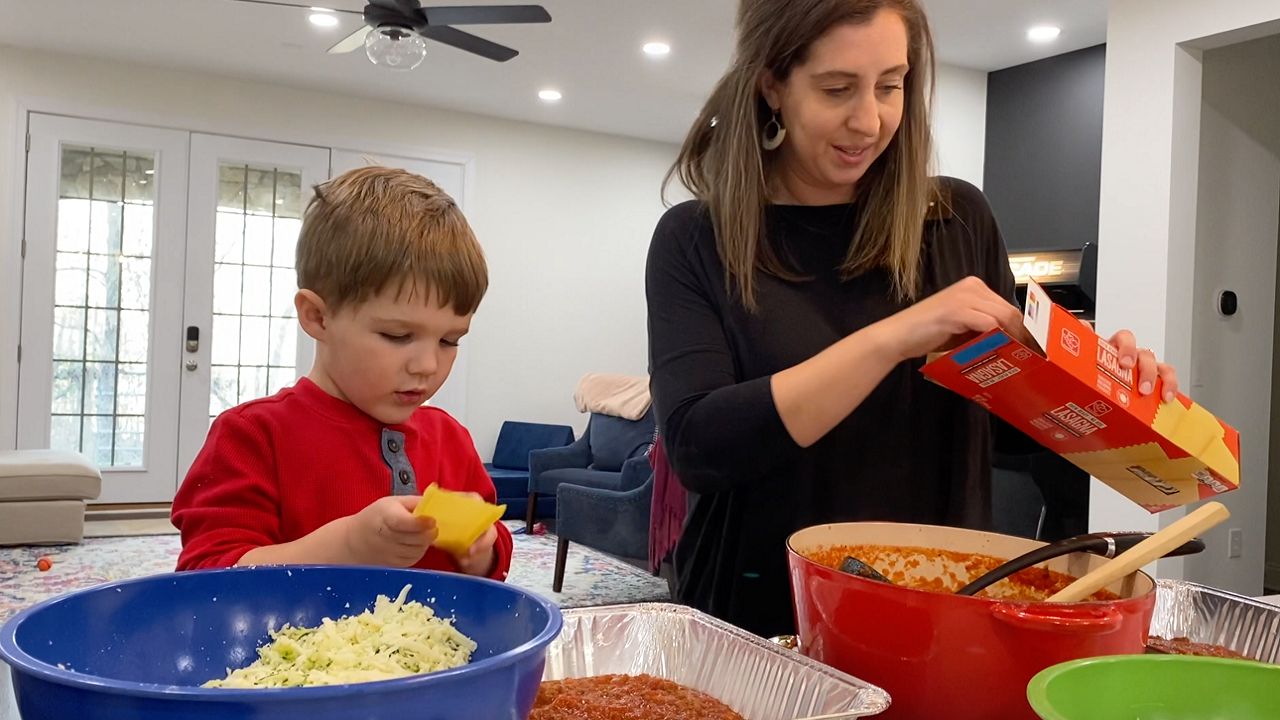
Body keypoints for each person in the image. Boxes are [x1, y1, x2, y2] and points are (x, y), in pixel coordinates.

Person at [646, 0, 1178, 637]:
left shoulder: (957, 220)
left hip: (943, 606)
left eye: (890, 86)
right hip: (761, 611)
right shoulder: (697, 238)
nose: (869, 120)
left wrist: (1100, 387)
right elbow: (700, 447)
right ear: (772, 86)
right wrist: (893, 338)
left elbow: (1005, 435)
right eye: (837, 89)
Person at [172, 166, 512, 580]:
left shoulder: (451, 439)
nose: (428, 365)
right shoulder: (251, 437)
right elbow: (207, 576)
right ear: (318, 317)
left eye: (449, 340)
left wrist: (481, 551)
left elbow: (494, 548)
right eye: (397, 335)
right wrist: (348, 546)